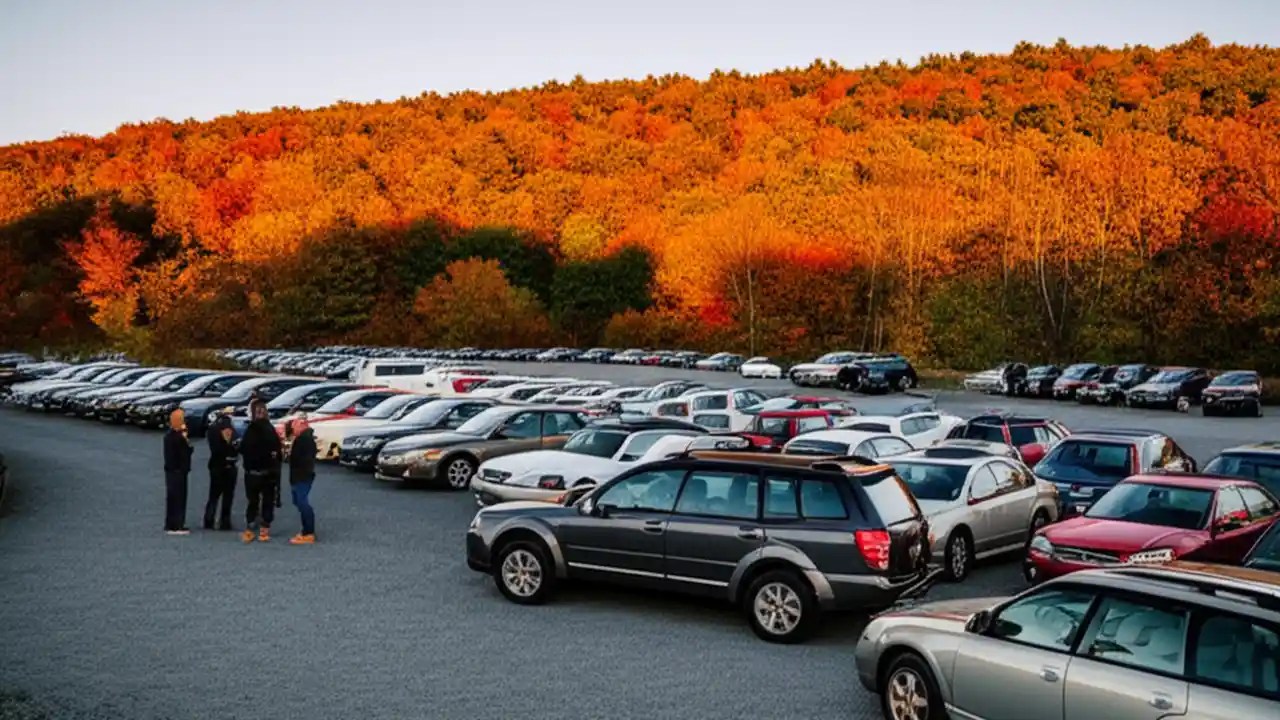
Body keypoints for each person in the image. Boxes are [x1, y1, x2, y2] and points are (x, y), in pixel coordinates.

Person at [239, 399, 282, 543]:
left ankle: (251, 527)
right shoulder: (270, 429)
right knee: (267, 500)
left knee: (253, 500)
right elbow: (277, 450)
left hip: (253, 472)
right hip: (268, 472)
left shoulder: (251, 429)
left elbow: (243, 449)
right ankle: (264, 528)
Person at [286, 416, 318, 544]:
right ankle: (307, 530)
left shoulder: (304, 440)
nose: (294, 431)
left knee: (302, 502)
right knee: (298, 501)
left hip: (302, 476)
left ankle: (308, 532)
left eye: (294, 427)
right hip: (301, 475)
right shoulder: (304, 438)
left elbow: (303, 459)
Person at [203, 415, 238, 530]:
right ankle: (225, 521)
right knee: (227, 496)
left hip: (217, 467)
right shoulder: (234, 433)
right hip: (229, 467)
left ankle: (209, 520)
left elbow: (215, 450)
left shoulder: (212, 432)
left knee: (214, 495)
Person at [163, 409, 193, 535]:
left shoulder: (170, 436)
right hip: (177, 471)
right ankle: (177, 525)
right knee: (178, 498)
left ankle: (171, 523)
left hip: (173, 471)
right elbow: (183, 452)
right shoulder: (176, 437)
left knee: (173, 498)